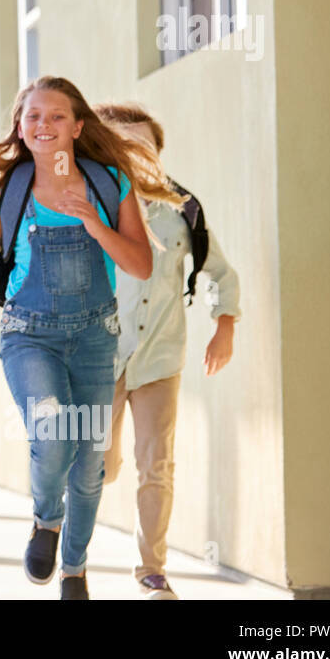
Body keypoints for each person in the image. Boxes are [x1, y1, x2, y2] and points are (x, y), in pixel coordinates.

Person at [0, 76, 179, 599]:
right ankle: (46, 521)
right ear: (20, 126)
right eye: (33, 116)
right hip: (29, 336)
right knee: (53, 436)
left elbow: (141, 264)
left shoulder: (109, 184)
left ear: (78, 126)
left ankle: (74, 570)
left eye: (56, 116)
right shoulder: (10, 193)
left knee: (91, 462)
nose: (44, 125)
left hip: (96, 339)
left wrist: (95, 225)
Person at [95, 102, 241, 599]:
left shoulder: (185, 210)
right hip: (100, 359)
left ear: (158, 153)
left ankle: (151, 571)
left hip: (161, 357)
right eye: (124, 146)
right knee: (99, 464)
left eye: (145, 145)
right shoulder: (91, 208)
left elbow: (220, 272)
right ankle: (75, 556)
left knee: (156, 464)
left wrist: (224, 324)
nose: (137, 154)